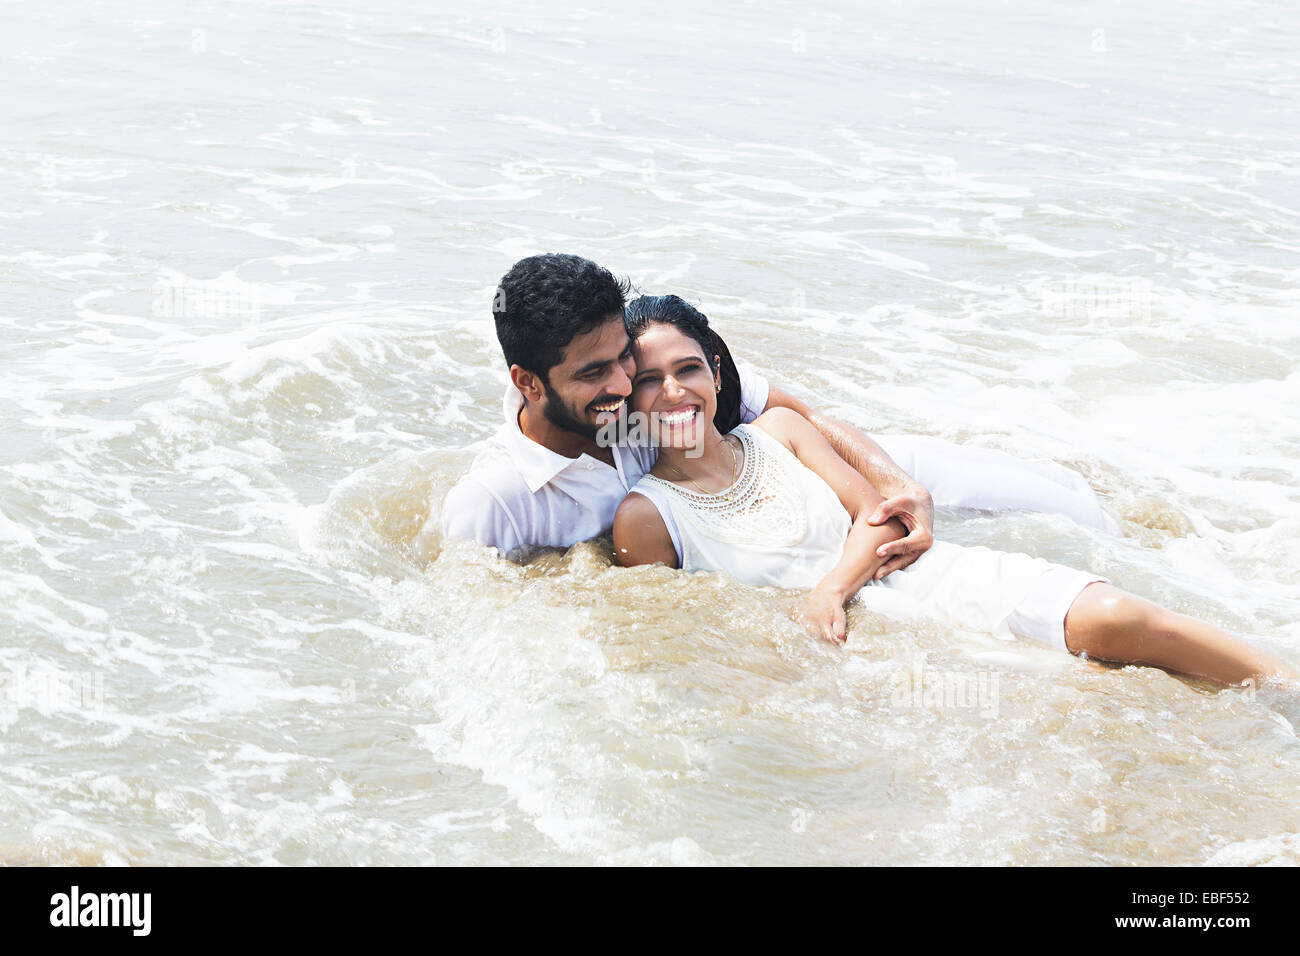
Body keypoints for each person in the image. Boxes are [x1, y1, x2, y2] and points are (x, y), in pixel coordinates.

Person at [611, 295, 1292, 687]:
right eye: (648, 380)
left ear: (718, 371)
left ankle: (1284, 684)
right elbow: (687, 626)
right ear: (622, 392)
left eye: (688, 368)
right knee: (1099, 714)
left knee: (1117, 618)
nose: (672, 392)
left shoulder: (779, 432)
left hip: (926, 576)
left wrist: (829, 590)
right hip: (857, 655)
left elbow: (879, 517)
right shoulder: (648, 517)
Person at [439, 254, 1113, 568]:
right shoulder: (497, 501)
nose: (625, 383)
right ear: (528, 383)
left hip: (822, 473)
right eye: (594, 373)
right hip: (775, 533)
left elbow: (803, 419)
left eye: (624, 359)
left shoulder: (645, 388)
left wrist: (899, 483)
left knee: (1080, 511)